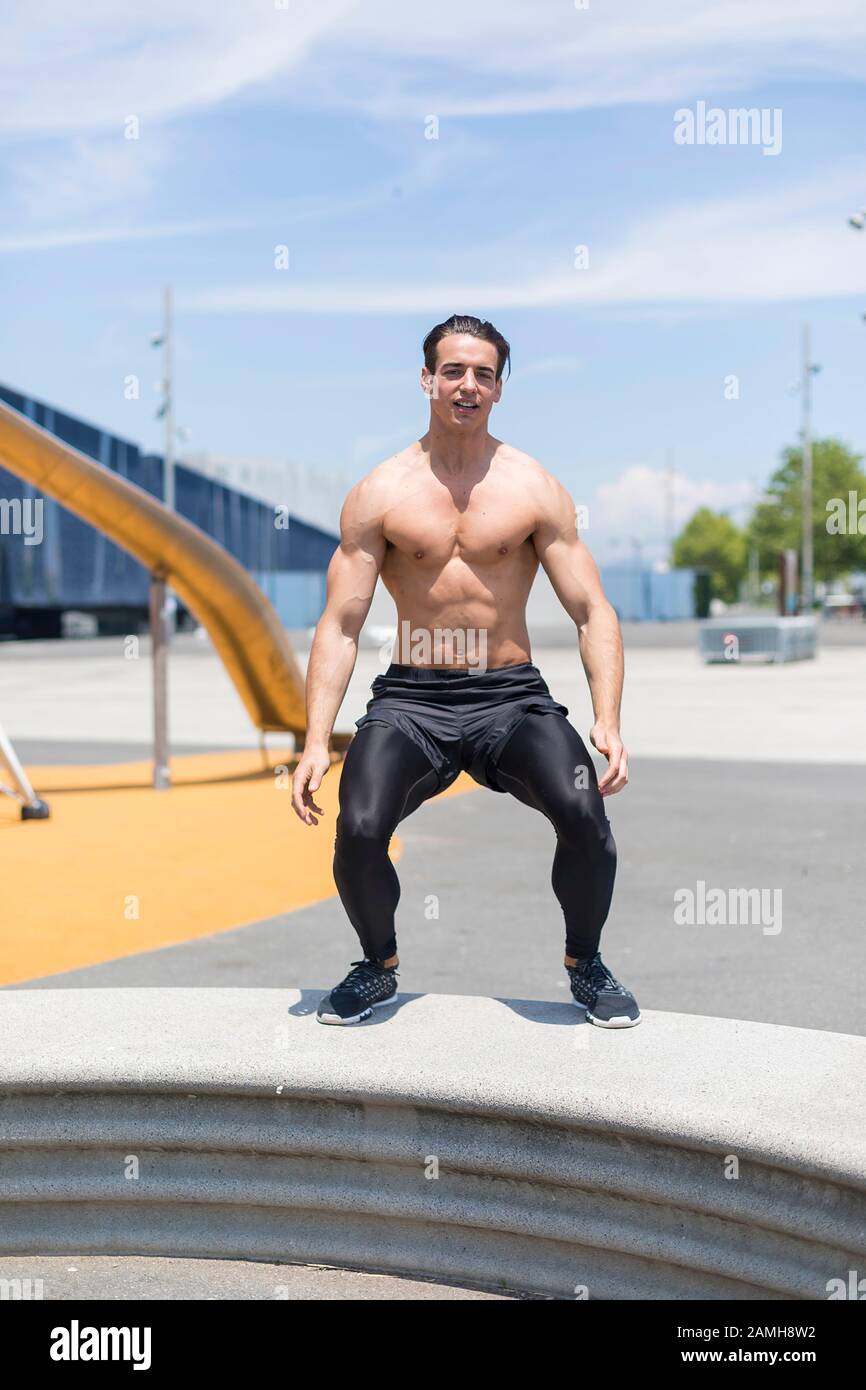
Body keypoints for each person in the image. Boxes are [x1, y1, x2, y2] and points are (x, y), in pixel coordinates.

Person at [291, 314, 639, 1029]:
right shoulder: (380, 492)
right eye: (453, 370)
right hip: (412, 701)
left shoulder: (534, 488)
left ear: (500, 388)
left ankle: (587, 963)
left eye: (483, 373)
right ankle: (377, 964)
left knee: (583, 814)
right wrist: (312, 741)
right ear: (427, 380)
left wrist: (607, 718)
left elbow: (592, 611)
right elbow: (341, 623)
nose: (467, 385)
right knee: (358, 828)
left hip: (511, 699)